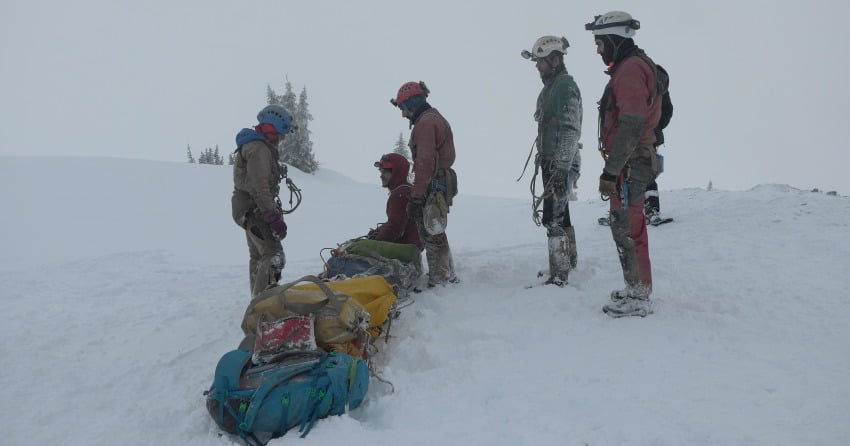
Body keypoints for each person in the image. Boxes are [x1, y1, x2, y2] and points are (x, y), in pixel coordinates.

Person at [586, 11, 663, 317]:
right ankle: (636, 287)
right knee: (627, 226)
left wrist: (611, 170)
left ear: (615, 39)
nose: (599, 51)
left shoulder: (630, 70)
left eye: (601, 44)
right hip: (632, 161)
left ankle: (639, 295)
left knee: (628, 228)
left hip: (629, 163)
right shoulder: (636, 65)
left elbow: (631, 124)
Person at [521, 35, 583, 286]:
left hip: (561, 163)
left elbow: (570, 129)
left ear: (555, 59)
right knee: (562, 212)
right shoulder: (550, 88)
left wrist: (561, 169)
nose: (537, 66)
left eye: (541, 62)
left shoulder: (565, 87)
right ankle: (569, 261)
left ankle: (559, 274)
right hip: (553, 162)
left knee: (553, 217)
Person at [390, 81, 458, 287]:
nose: (403, 114)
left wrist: (417, 196)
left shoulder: (426, 123)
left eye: (403, 108)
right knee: (435, 228)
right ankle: (446, 274)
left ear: (412, 102)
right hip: (437, 181)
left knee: (431, 231)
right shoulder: (432, 119)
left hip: (431, 184)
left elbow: (425, 161)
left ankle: (440, 280)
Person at [231, 104, 295, 297]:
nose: (282, 139)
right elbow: (259, 186)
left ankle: (258, 300)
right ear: (271, 128)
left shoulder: (256, 146)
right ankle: (262, 309)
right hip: (254, 209)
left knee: (258, 257)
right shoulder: (259, 149)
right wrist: (272, 215)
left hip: (245, 208)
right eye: (281, 134)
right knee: (274, 255)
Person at [369, 153, 424, 251]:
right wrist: (379, 231)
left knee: (356, 249)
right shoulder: (408, 190)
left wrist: (373, 244)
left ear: (396, 172)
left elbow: (395, 228)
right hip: (412, 247)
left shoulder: (400, 194)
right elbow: (399, 222)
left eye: (385, 173)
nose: (381, 176)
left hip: (404, 248)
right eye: (381, 172)